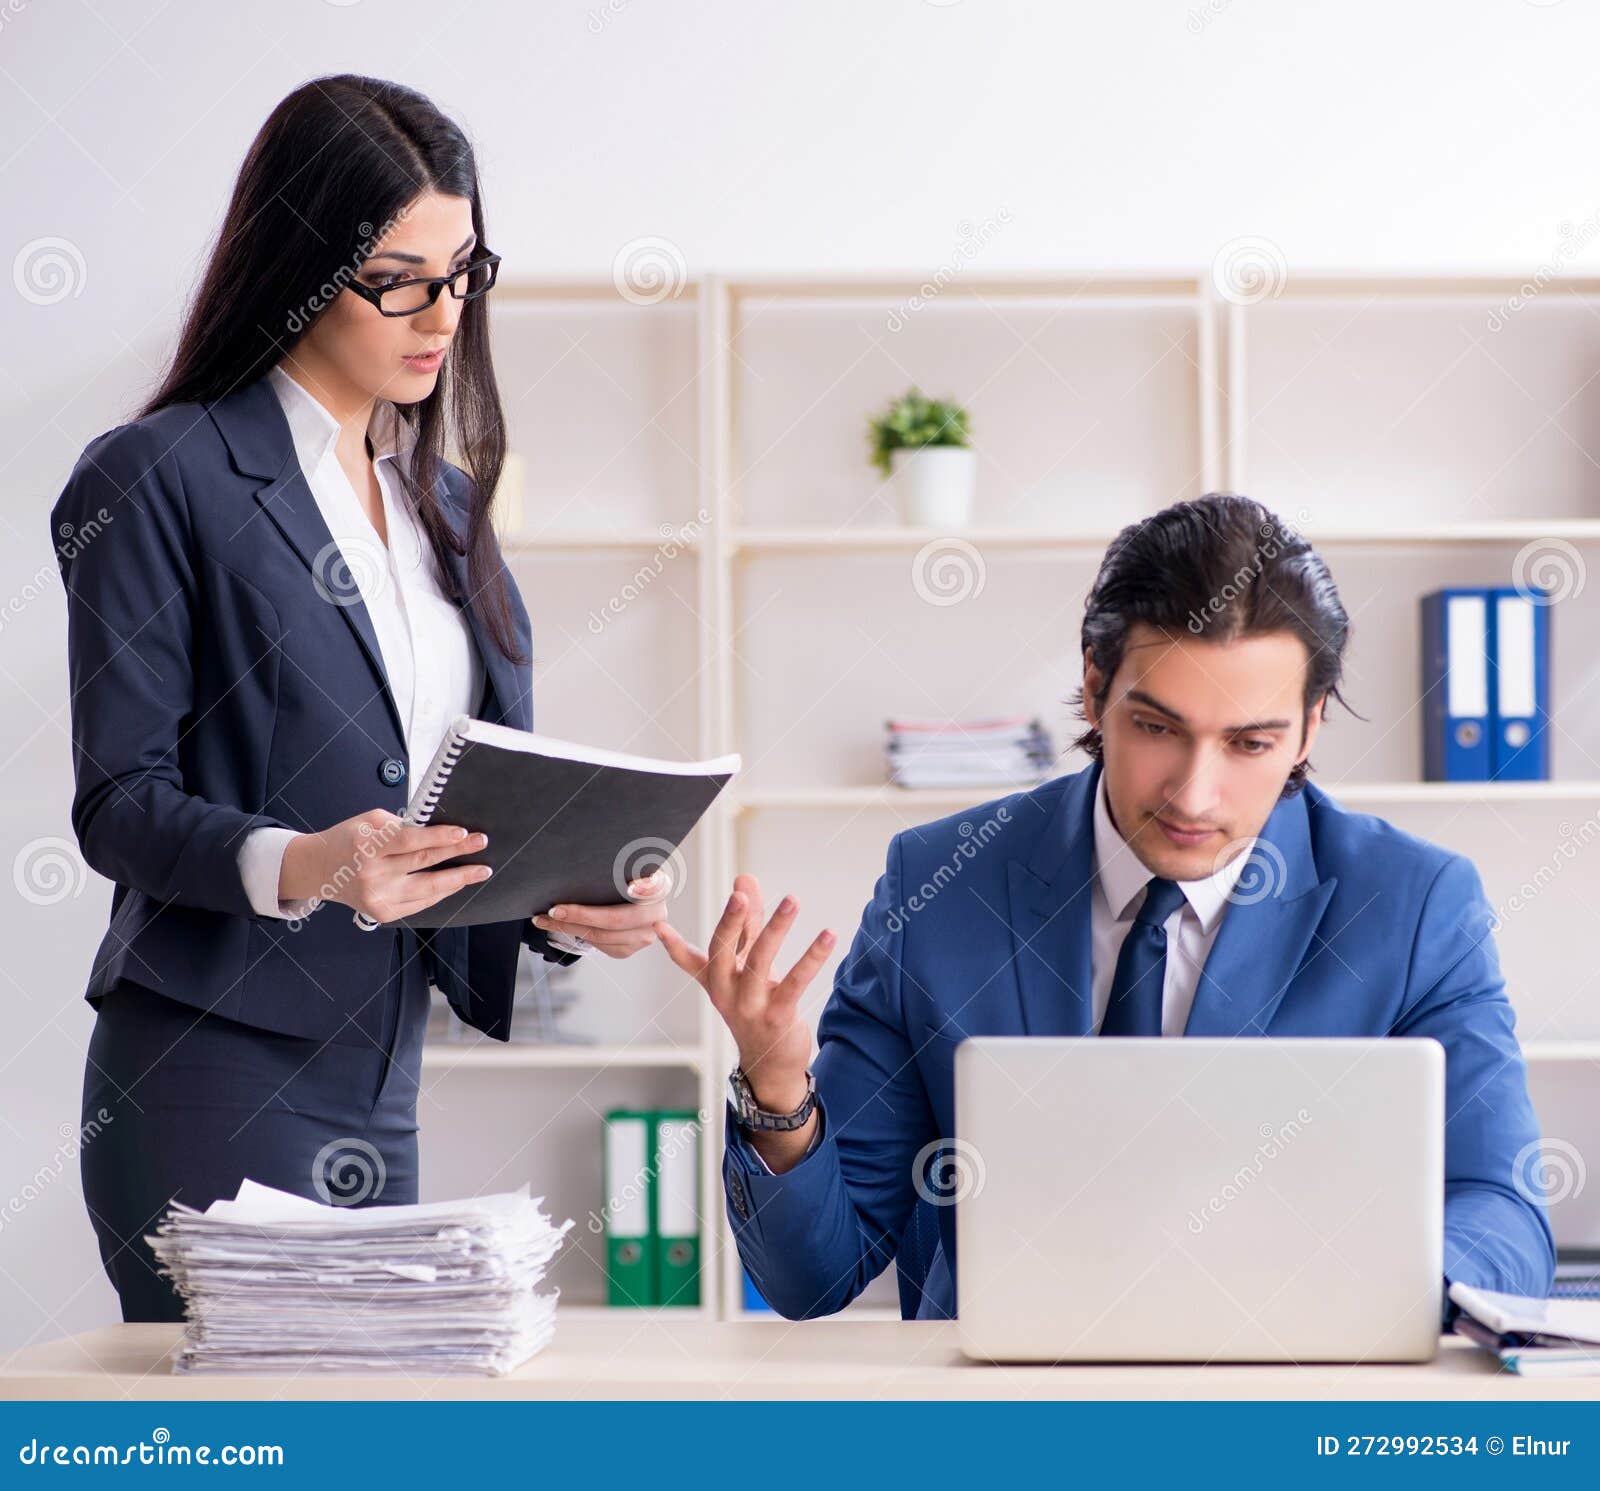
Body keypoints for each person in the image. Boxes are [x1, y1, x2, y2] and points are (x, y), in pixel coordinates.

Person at [50, 75, 669, 1323]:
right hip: (208, 1064)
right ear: (297, 256)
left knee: (369, 1433)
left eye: (462, 271)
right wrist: (307, 861)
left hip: (384, 1073)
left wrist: (568, 892)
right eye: (397, 276)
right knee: (253, 1441)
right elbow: (119, 804)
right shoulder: (160, 477)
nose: (439, 313)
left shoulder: (445, 505)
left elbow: (473, 790)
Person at [660, 492, 1557, 1323]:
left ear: (1312, 725)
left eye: (1250, 742)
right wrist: (777, 1086)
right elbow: (814, 1278)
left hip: (1285, 1393)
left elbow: (1504, 1211)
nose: (1196, 794)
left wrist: (1363, 1289)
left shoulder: (1413, 907)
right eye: (1158, 728)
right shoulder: (937, 886)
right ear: (1094, 687)